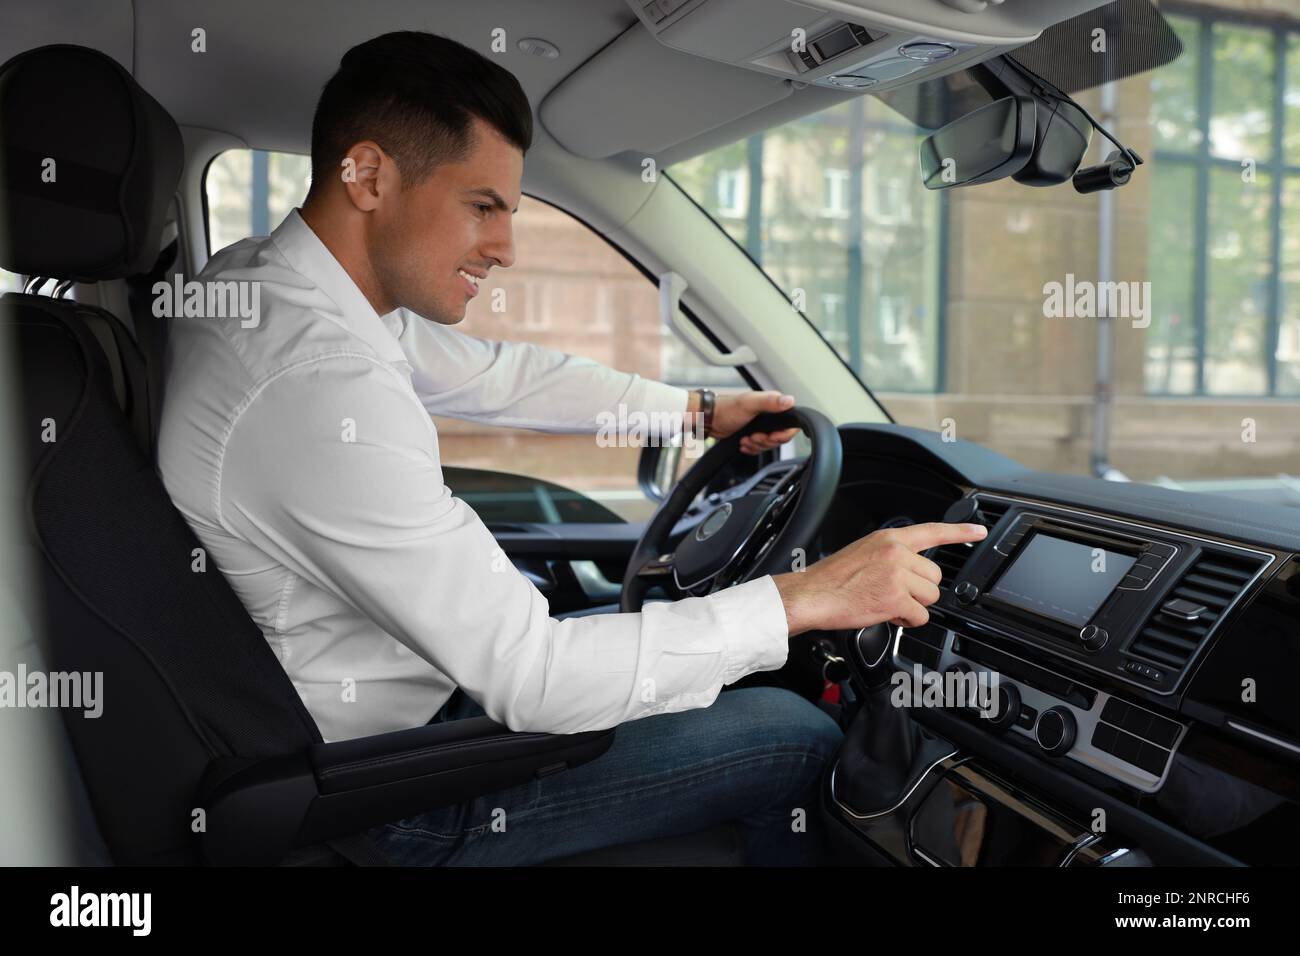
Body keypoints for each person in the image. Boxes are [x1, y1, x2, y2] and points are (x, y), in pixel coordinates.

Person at [157, 30, 986, 866]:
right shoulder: (317, 383)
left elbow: (500, 377)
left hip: (381, 718)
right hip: (384, 796)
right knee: (796, 735)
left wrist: (699, 412)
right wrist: (803, 600)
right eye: (482, 206)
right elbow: (534, 677)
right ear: (368, 176)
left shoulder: (262, 285)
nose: (506, 248)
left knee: (662, 643)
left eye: (510, 212)